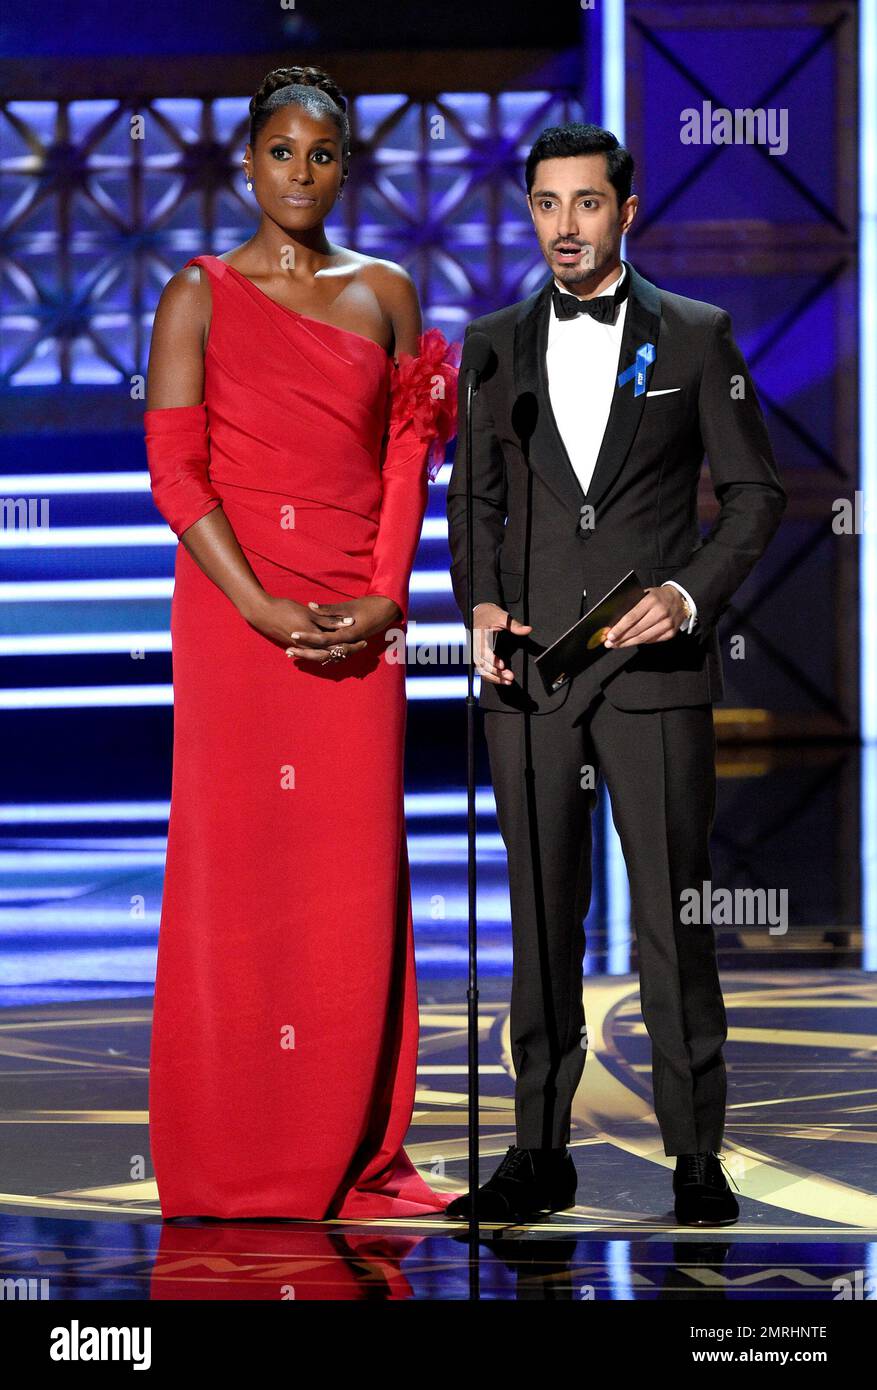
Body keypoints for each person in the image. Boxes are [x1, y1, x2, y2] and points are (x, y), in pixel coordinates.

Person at [445, 122, 787, 1226]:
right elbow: (474, 504)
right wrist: (482, 603)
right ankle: (537, 1150)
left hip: (652, 670)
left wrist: (686, 595)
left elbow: (754, 495)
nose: (564, 227)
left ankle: (695, 1155)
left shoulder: (694, 335)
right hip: (531, 676)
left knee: (670, 919)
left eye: (585, 204)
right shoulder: (492, 343)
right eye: (545, 205)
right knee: (542, 918)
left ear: (625, 212)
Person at [144, 64, 459, 1220]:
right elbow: (175, 472)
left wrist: (386, 598)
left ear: (345, 166)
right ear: (247, 160)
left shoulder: (385, 291)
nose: (300, 172)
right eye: (281, 151)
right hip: (237, 622)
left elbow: (405, 460)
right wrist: (258, 607)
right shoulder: (198, 293)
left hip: (357, 623)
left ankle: (347, 1143)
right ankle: (233, 1152)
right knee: (238, 871)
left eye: (321, 154)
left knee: (346, 874)